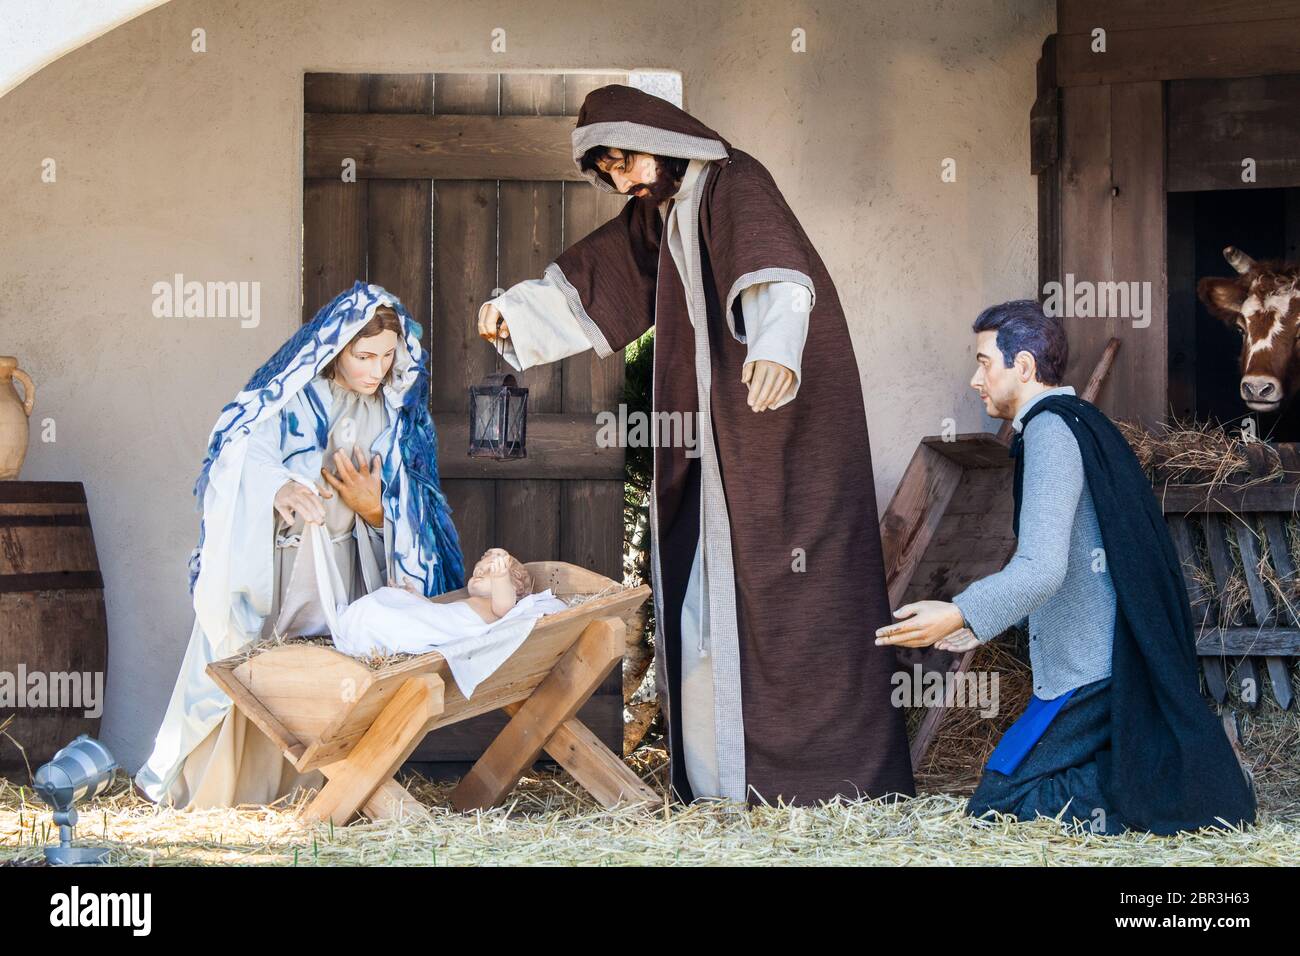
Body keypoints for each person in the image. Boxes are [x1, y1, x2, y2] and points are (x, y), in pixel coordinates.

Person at [477, 84, 914, 806]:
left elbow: (780, 277)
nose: (620, 181)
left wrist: (776, 349)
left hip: (777, 431)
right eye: (609, 172)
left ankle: (814, 779)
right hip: (718, 438)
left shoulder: (735, 182)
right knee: (707, 593)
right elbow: (600, 275)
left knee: (793, 592)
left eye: (622, 162)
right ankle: (725, 783)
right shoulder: (667, 210)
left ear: (661, 138)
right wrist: (514, 311)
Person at [876, 299, 1256, 834]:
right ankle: (1185, 770)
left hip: (1091, 672)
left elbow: (1041, 570)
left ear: (1024, 366)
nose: (974, 379)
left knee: (999, 801)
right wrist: (978, 627)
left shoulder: (1052, 433)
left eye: (985, 362)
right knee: (1029, 780)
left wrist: (959, 614)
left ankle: (1189, 782)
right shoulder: (1077, 422)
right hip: (1093, 660)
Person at [134, 282, 464, 808]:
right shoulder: (288, 394)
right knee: (260, 672)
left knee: (327, 678)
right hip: (283, 568)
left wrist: (374, 508)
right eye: (364, 355)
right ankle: (224, 794)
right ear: (336, 347)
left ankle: (314, 792)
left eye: (386, 356)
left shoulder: (394, 415)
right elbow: (241, 450)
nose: (377, 369)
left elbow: (409, 505)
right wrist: (279, 487)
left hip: (346, 568)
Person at [333, 548, 569, 699]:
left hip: (433, 628)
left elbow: (505, 604)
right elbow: (436, 615)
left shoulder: (499, 608)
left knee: (384, 618)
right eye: (479, 568)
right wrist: (415, 599)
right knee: (390, 603)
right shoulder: (470, 602)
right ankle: (363, 620)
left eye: (489, 572)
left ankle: (363, 624)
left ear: (514, 588)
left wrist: (500, 579)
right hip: (433, 621)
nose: (480, 570)